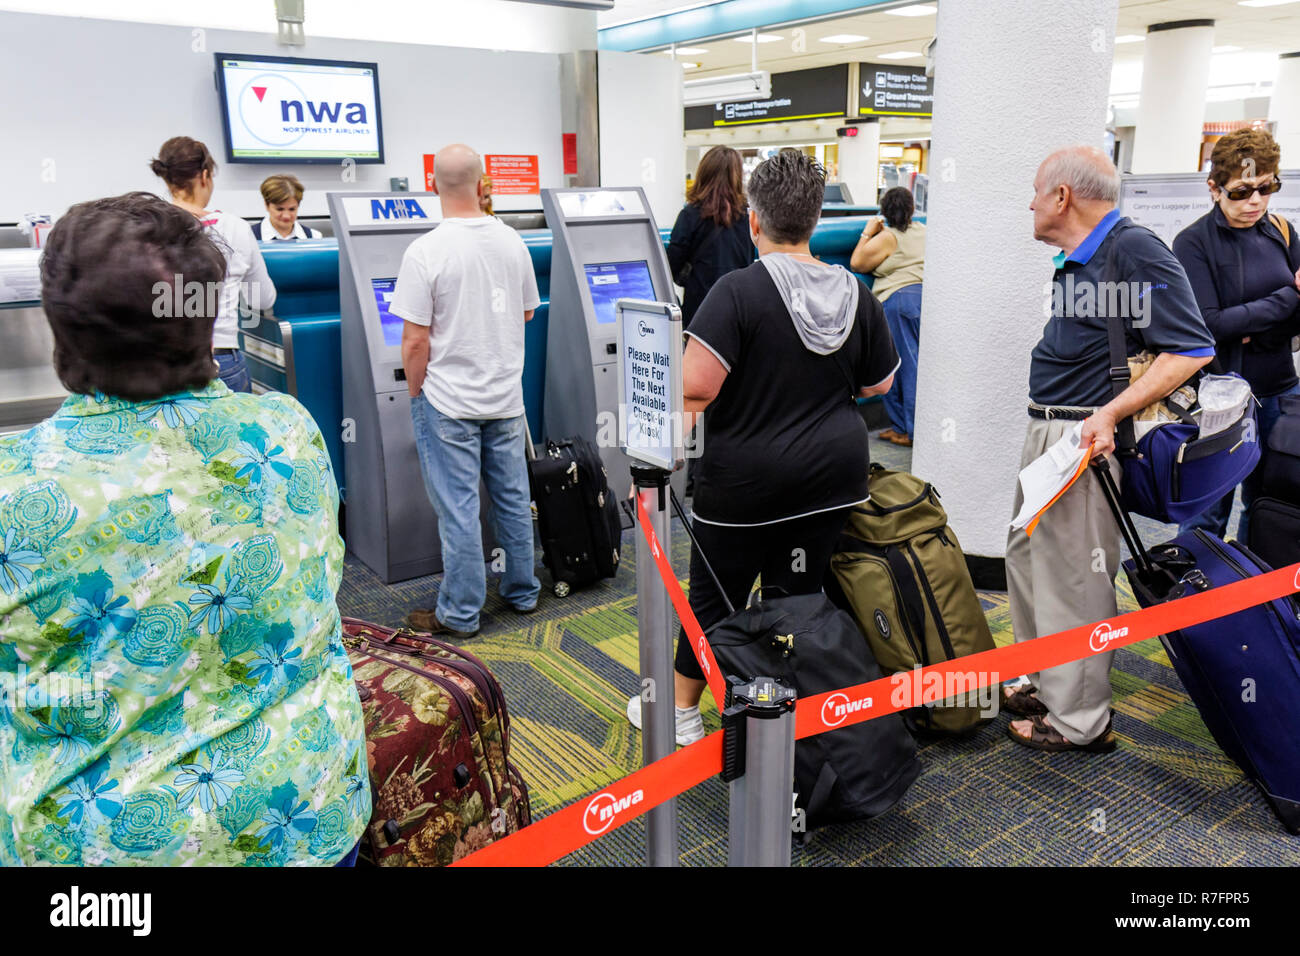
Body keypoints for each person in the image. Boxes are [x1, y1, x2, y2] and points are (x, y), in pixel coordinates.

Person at [0, 192, 368, 865]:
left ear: (62, 329)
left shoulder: (16, 486)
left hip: (111, 853)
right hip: (311, 809)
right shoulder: (288, 429)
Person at [627, 151, 899, 744]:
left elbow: (694, 390)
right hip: (832, 479)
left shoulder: (737, 293)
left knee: (713, 598)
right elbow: (880, 385)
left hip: (746, 485)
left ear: (755, 221)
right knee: (797, 596)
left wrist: (654, 462)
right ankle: (782, 712)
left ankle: (680, 712)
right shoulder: (855, 292)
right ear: (816, 218)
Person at [1004, 147, 1215, 753]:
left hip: (1084, 440)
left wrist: (1110, 413)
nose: (1031, 202)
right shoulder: (1078, 257)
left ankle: (1081, 721)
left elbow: (1192, 348)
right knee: (1027, 562)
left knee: (1075, 577)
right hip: (1051, 433)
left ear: (1064, 196)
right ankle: (1051, 682)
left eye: (1037, 192)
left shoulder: (1134, 249)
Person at [392, 144, 541, 637]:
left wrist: (417, 393)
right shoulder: (512, 242)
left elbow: (414, 340)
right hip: (504, 396)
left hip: (449, 401)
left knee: (458, 509)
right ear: (483, 185)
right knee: (513, 499)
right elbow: (524, 313)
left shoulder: (425, 251)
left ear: (433, 185)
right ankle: (522, 591)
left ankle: (459, 613)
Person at [1174, 127, 1300, 541]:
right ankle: (1194, 603)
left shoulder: (1281, 231)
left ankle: (1256, 602)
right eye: (1242, 192)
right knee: (1208, 510)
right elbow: (1209, 324)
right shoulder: (1193, 242)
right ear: (1213, 188)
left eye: (1267, 188)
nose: (1256, 202)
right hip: (1220, 397)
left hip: (1279, 391)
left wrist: (1249, 324)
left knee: (1266, 508)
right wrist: (1285, 299)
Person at [151, 136, 276, 393]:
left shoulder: (149, 226)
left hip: (162, 362)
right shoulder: (235, 228)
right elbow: (263, 300)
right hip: (220, 358)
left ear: (167, 178)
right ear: (205, 176)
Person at [850, 186, 926, 446]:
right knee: (916, 365)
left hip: (898, 302)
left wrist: (867, 232)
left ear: (884, 211)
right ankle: (915, 428)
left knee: (897, 367)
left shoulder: (888, 237)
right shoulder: (923, 232)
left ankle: (906, 430)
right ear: (912, 209)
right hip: (923, 299)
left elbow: (857, 263)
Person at [666, 146, 757, 329]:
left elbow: (671, 265)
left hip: (700, 311)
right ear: (737, 176)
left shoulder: (690, 215)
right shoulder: (749, 217)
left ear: (704, 174)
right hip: (739, 311)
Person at [254, 174, 321, 240]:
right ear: (266, 205)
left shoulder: (314, 237)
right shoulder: (249, 237)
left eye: (292, 209)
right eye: (280, 209)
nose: (286, 216)